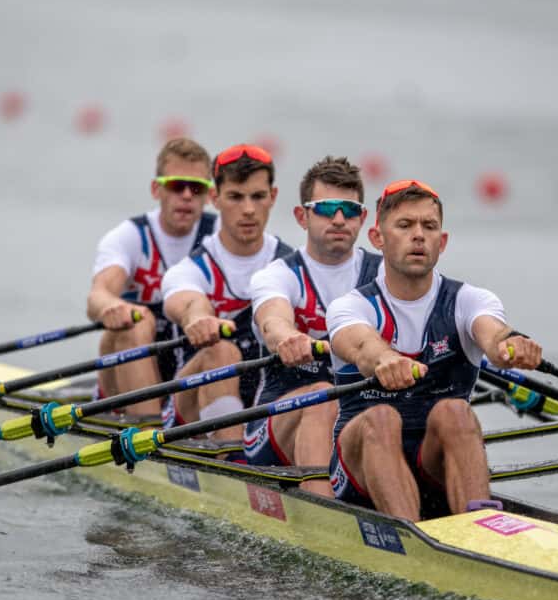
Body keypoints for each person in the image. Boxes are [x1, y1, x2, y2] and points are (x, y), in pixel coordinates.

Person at [326, 179, 543, 520]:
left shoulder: (470, 300)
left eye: (428, 226)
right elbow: (363, 345)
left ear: (441, 242)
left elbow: (494, 333)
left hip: (434, 465)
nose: (418, 235)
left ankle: (481, 528)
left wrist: (511, 345)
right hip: (360, 471)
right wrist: (385, 360)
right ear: (377, 238)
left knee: (455, 411)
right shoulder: (350, 307)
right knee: (382, 417)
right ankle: (414, 539)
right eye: (404, 225)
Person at [246, 157, 380, 493]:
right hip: (277, 425)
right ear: (302, 216)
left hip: (357, 416)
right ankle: (327, 515)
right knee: (322, 396)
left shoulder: (384, 276)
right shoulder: (278, 275)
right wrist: (288, 338)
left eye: (349, 210)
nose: (338, 219)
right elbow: (272, 320)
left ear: (362, 218)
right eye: (325, 208)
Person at [161, 144, 293, 444]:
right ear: (215, 198)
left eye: (258, 197)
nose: (248, 209)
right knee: (222, 352)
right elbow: (188, 301)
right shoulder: (192, 269)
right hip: (189, 410)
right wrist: (198, 319)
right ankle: (232, 457)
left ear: (272, 197)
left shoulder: (291, 266)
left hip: (263, 407)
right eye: (235, 196)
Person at [86, 138, 216, 415]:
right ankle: (147, 430)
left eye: (196, 188)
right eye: (176, 186)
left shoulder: (221, 238)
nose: (186, 196)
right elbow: (97, 295)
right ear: (156, 189)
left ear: (209, 195)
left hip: (188, 378)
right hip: (124, 377)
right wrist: (112, 307)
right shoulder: (130, 237)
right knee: (135, 322)